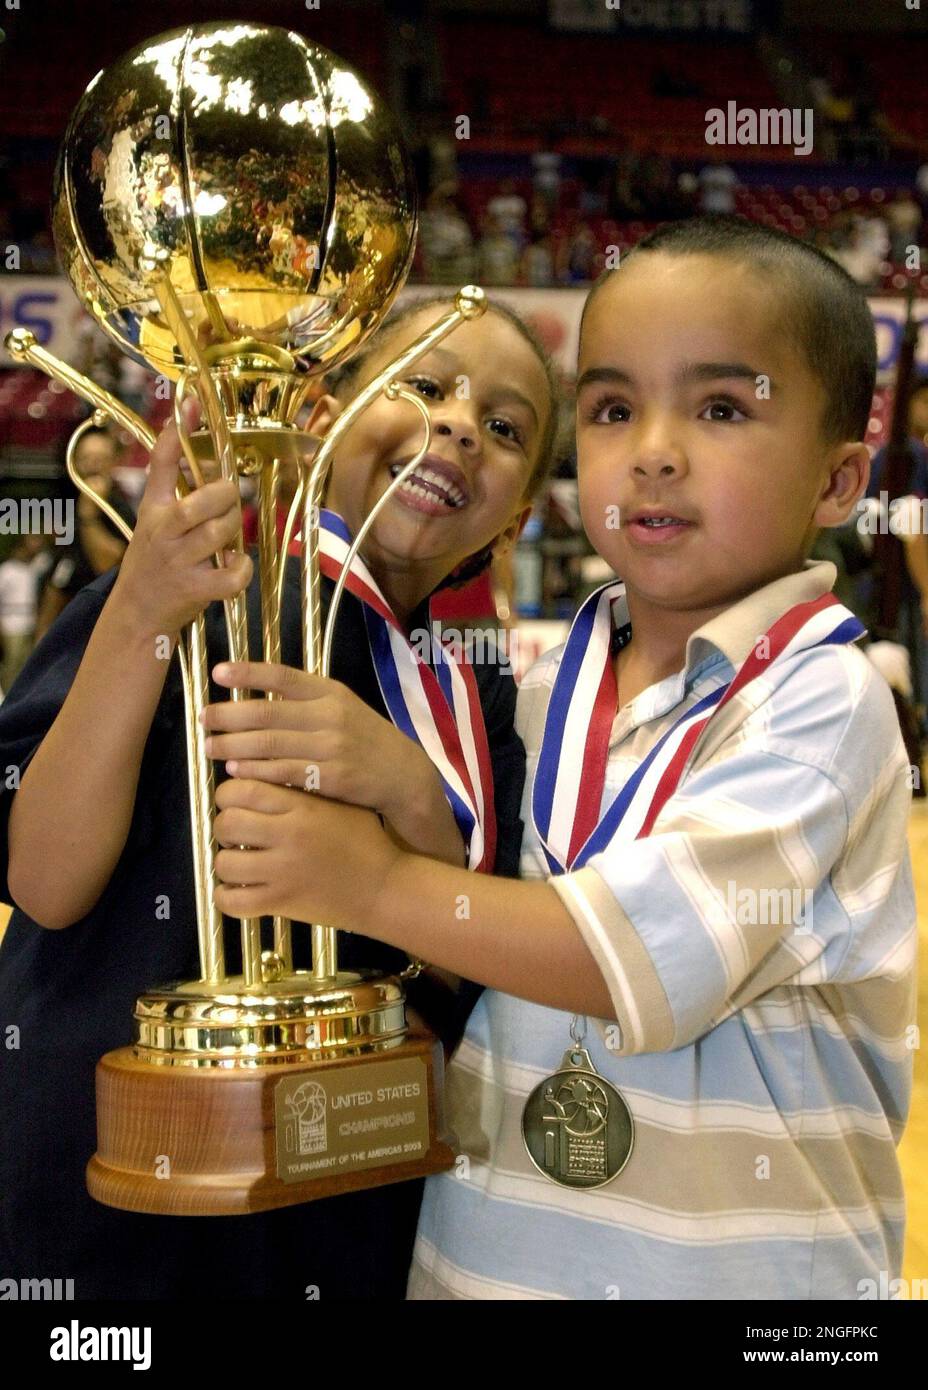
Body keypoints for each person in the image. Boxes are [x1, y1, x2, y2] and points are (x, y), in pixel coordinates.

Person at [212, 216, 917, 1300]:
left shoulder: (821, 701)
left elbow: (622, 952)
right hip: (476, 1267)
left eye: (722, 408)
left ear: (834, 485)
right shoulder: (539, 694)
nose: (654, 449)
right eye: (612, 408)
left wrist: (377, 878)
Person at [0, 295, 559, 1300]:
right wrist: (141, 610)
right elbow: (42, 880)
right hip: (106, 1186)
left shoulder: (478, 703)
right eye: (424, 386)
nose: (462, 424)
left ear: (516, 515)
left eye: (507, 426)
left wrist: (412, 800)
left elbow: (472, 968)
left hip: (350, 1195)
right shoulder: (181, 596)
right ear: (321, 416)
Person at [35, 424, 134, 640]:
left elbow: (107, 563)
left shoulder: (120, 509)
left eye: (100, 458)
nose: (93, 466)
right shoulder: (67, 505)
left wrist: (90, 516)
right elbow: (60, 574)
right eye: (86, 458)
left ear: (114, 462)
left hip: (103, 633)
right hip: (63, 636)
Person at [0, 534, 51, 695]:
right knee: (13, 664)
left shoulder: (34, 567)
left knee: (26, 664)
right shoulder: (7, 570)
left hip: (31, 622)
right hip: (11, 623)